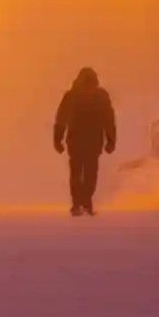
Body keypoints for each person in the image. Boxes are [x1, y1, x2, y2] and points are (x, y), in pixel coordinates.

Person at [53, 67, 116, 216]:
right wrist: (111, 140)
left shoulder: (73, 96)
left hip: (78, 141)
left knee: (80, 172)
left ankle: (80, 203)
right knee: (88, 172)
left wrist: (58, 139)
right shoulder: (98, 96)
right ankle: (84, 202)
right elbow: (109, 119)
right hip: (90, 141)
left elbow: (61, 118)